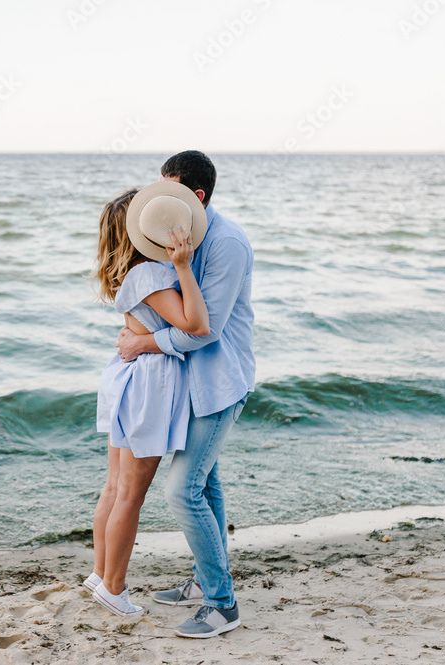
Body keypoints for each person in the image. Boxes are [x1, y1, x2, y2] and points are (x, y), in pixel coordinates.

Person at [116, 150, 255, 638]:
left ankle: (222, 605)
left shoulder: (226, 244)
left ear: (196, 196)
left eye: (169, 190)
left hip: (218, 383)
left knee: (182, 490)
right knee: (206, 486)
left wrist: (141, 343)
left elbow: (205, 330)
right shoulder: (176, 239)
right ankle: (203, 582)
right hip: (189, 384)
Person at [88, 182, 211, 618]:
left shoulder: (131, 274)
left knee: (114, 487)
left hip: (128, 380)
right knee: (130, 495)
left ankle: (101, 575)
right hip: (148, 387)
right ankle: (114, 588)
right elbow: (196, 324)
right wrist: (183, 267)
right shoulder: (153, 275)